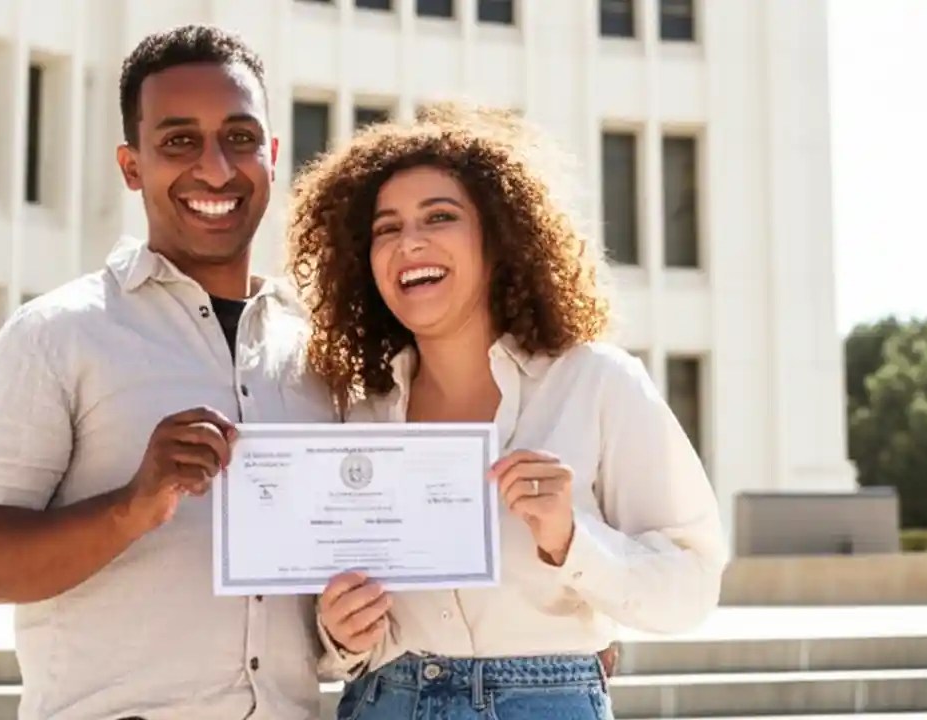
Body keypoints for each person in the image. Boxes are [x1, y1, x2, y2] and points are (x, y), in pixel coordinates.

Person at [0, 25, 334, 720]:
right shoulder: (58, 334)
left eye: (239, 138)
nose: (215, 169)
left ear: (272, 155)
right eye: (179, 141)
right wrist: (132, 506)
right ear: (132, 165)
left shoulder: (316, 356)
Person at [287, 105, 729, 719]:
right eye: (386, 229)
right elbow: (316, 628)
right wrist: (339, 635)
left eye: (440, 217)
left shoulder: (594, 382)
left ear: (500, 239)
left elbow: (692, 587)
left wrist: (570, 540)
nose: (410, 242)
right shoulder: (354, 415)